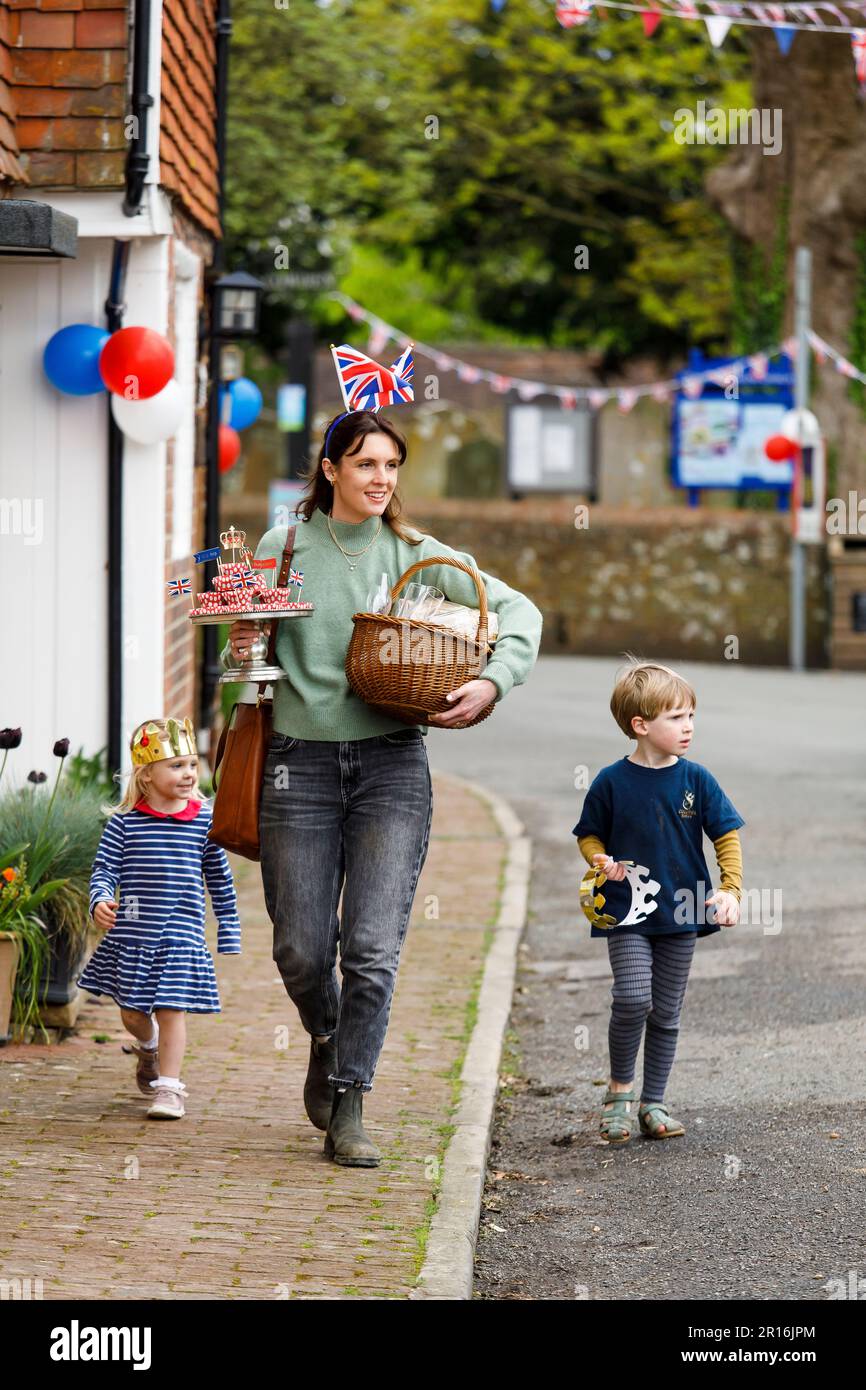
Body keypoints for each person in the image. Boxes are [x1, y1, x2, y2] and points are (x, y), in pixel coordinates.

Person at [223, 406, 543, 1167]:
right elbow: (251, 646)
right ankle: (328, 1037)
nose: (380, 479)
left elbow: (519, 612)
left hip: (392, 766)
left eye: (391, 466)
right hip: (297, 766)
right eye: (365, 464)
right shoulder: (284, 544)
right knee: (301, 948)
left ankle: (351, 1103)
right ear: (330, 468)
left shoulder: (415, 552)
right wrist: (243, 639)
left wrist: (494, 682)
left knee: (371, 947)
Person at [572, 659, 744, 1143]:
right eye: (676, 718)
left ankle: (654, 1103)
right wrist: (600, 859)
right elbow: (588, 836)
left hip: (685, 908)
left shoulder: (698, 779)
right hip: (627, 910)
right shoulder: (610, 781)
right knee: (632, 997)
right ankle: (620, 1093)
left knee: (666, 1010)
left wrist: (730, 890)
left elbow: (726, 835)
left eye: (691, 715)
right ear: (641, 726)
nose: (688, 727)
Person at [78, 717, 240, 1120]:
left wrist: (229, 930)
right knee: (132, 1013)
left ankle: (169, 1090)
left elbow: (220, 880)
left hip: (182, 935)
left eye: (191, 765)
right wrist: (99, 899)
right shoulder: (124, 825)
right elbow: (103, 871)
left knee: (171, 1008)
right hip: (132, 935)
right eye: (176, 766)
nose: (188, 774)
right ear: (147, 775)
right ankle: (146, 1046)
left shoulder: (205, 821)